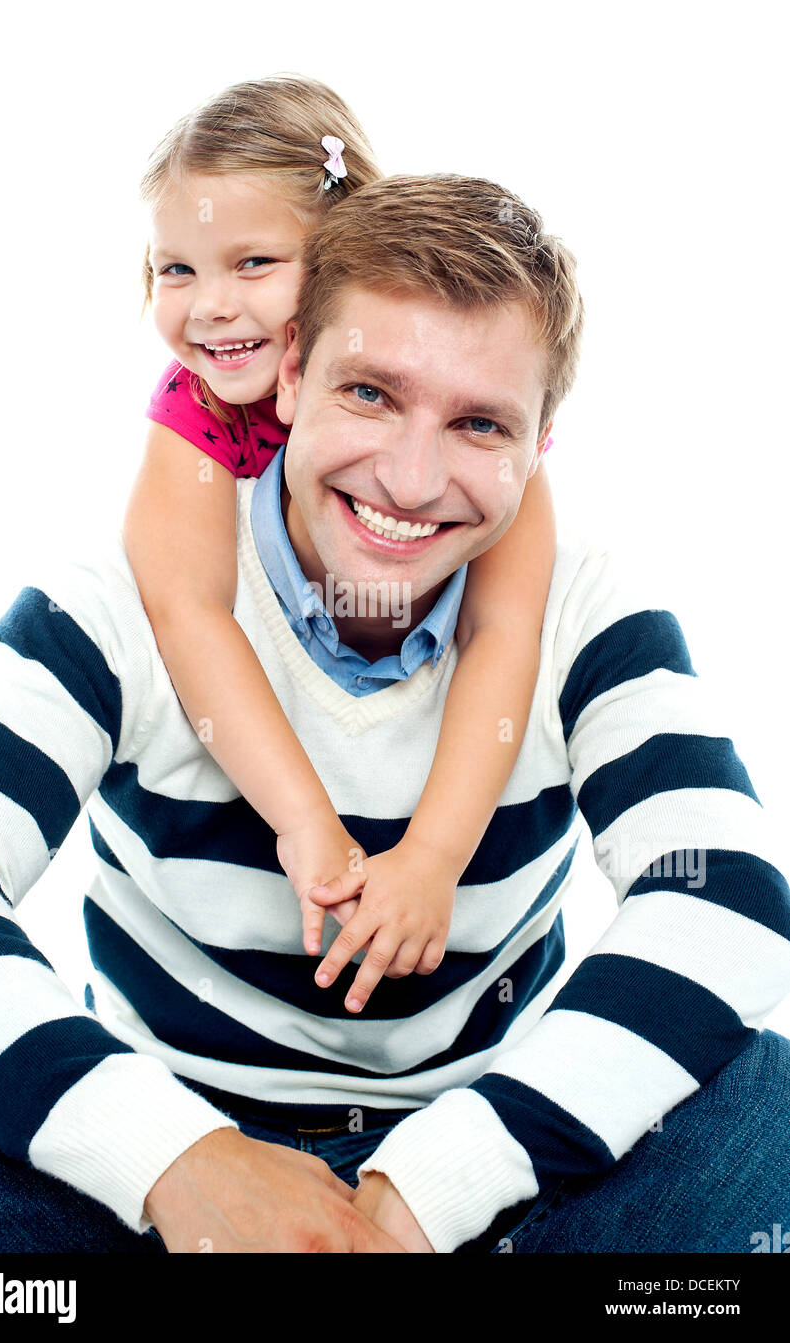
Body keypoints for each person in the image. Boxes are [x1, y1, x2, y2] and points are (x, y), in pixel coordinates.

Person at [0, 173, 789, 1254]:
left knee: (767, 1104)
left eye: (479, 423)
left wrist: (425, 1190)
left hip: (486, 1177)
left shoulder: (583, 608)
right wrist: (170, 1160)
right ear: (288, 372)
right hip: (170, 1190)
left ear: (541, 442)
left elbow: (725, 900)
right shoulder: (125, 597)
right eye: (371, 394)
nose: (412, 477)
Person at [122, 76, 558, 1012]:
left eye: (252, 263)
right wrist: (307, 826)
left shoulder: (479, 411)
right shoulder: (188, 412)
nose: (209, 309)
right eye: (176, 269)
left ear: (337, 262)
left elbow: (504, 631)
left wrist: (434, 858)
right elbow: (187, 609)